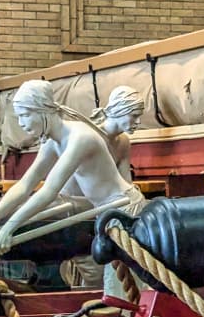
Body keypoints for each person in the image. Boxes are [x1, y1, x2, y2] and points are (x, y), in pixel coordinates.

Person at [0, 80, 146, 299]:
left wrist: (8, 228)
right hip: (108, 212)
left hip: (123, 208)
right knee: (119, 288)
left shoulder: (80, 138)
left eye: (25, 115)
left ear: (43, 110)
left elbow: (49, 191)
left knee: (124, 290)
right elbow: (24, 185)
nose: (21, 123)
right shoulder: (53, 143)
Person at [59, 86, 145, 289]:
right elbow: (83, 185)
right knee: (96, 275)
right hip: (79, 212)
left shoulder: (123, 141)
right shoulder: (88, 137)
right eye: (133, 116)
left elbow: (124, 184)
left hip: (103, 211)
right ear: (118, 111)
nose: (138, 122)